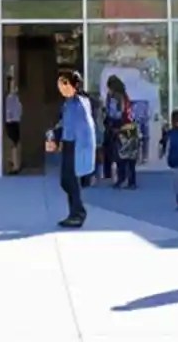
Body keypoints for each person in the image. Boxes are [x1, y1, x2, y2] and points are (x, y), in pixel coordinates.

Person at [50, 69, 95, 228]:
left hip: (77, 146)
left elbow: (86, 128)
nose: (61, 86)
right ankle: (75, 212)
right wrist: (55, 136)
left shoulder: (80, 104)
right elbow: (63, 124)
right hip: (68, 144)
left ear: (73, 85)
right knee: (66, 181)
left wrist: (86, 150)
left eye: (64, 83)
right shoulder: (67, 103)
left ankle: (78, 213)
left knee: (71, 180)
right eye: (59, 83)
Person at [104, 75, 138, 189]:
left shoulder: (115, 97)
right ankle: (131, 181)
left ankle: (121, 178)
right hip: (131, 128)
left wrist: (110, 123)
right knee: (130, 156)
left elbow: (115, 113)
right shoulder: (125, 96)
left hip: (120, 127)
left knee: (120, 155)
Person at [5, 77, 23, 175]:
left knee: (16, 143)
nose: (14, 87)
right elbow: (8, 111)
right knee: (13, 143)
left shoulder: (16, 98)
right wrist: (9, 119)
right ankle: (14, 165)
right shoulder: (9, 98)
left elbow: (19, 109)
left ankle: (15, 163)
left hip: (16, 121)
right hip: (11, 122)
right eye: (12, 85)